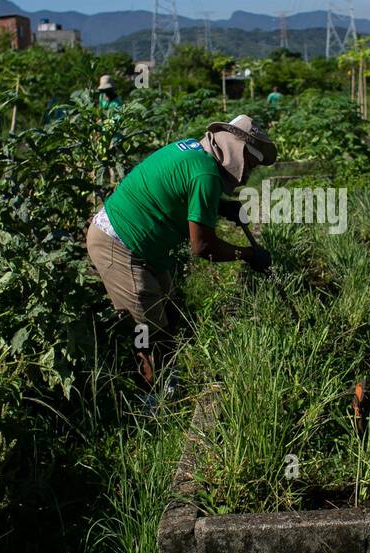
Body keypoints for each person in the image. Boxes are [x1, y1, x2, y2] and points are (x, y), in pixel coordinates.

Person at [85, 115, 276, 385]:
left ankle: (170, 377)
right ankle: (153, 397)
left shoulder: (192, 150)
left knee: (171, 309)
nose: (248, 173)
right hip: (118, 243)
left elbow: (178, 190)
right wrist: (249, 255)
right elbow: (203, 247)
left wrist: (222, 207)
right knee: (148, 329)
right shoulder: (205, 174)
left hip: (141, 246)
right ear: (238, 153)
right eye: (251, 165)